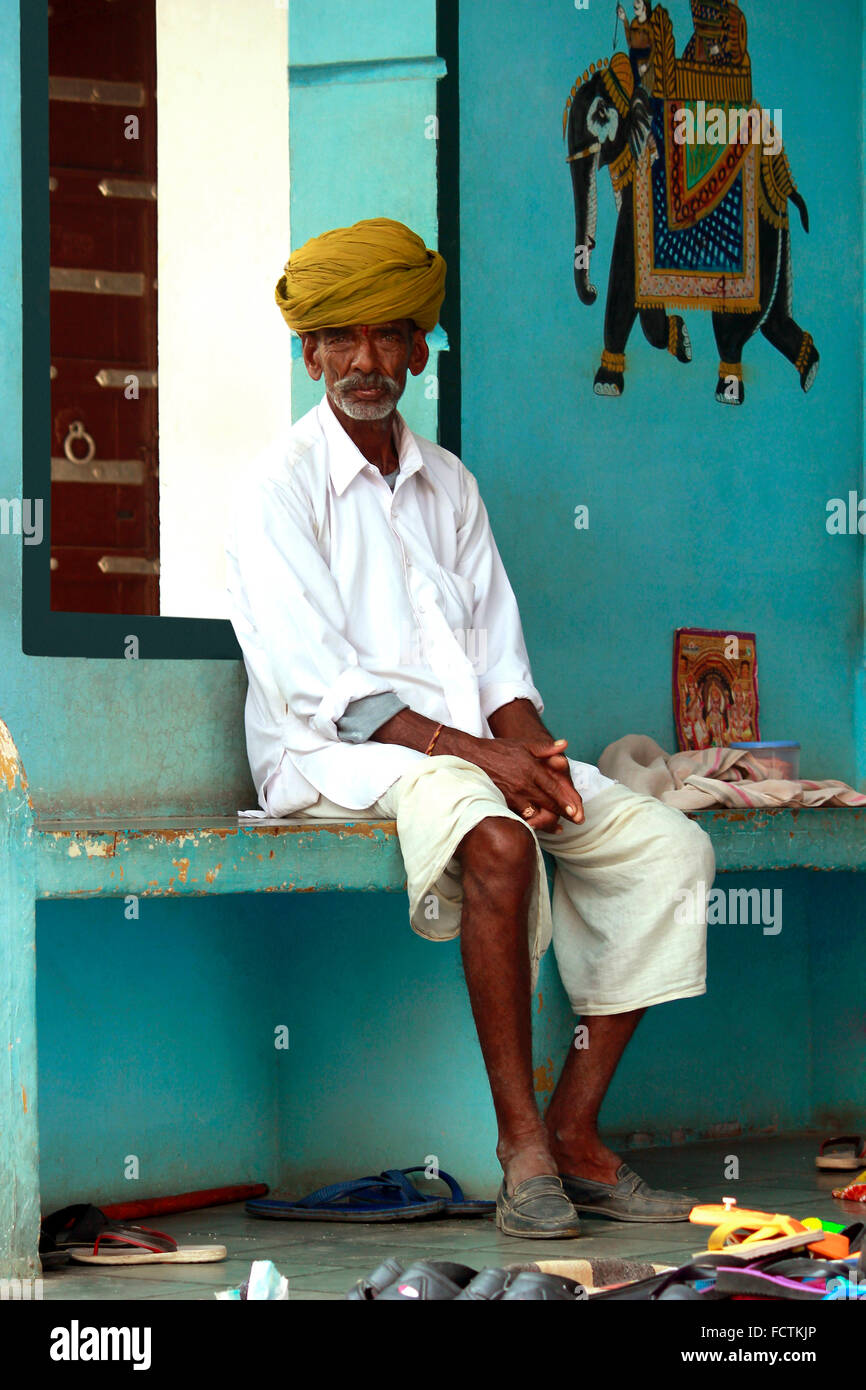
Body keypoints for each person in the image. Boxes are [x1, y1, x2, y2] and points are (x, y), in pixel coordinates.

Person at [226, 218, 715, 1238]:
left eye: (391, 335)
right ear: (307, 351)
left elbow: (498, 668)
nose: (368, 361)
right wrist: (488, 765)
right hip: (341, 757)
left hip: (465, 750)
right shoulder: (277, 487)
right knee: (495, 842)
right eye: (344, 339)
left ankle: (576, 1132)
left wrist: (535, 756)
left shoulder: (448, 483)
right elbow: (329, 691)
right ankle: (519, 1146)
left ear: (417, 348)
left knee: (665, 845)